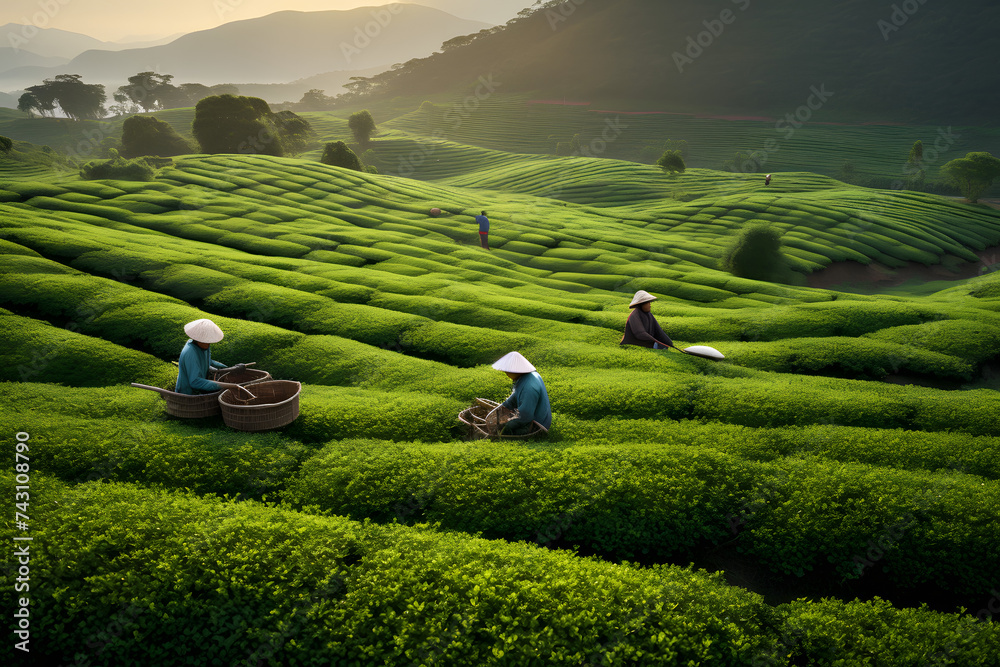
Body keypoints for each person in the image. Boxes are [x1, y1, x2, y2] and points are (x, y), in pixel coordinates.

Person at [175, 318, 244, 395]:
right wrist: (225, 385)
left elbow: (209, 361)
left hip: (199, 390)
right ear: (197, 339)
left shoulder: (204, 347)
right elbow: (195, 382)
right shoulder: (190, 352)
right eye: (205, 341)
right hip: (187, 394)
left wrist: (230, 368)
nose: (208, 344)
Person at [493, 351, 552, 435]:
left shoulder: (529, 386)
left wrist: (507, 425)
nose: (506, 374)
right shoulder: (526, 378)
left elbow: (525, 415)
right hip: (530, 418)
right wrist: (501, 409)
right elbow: (513, 399)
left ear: (515, 370)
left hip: (537, 425)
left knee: (504, 429)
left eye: (507, 371)